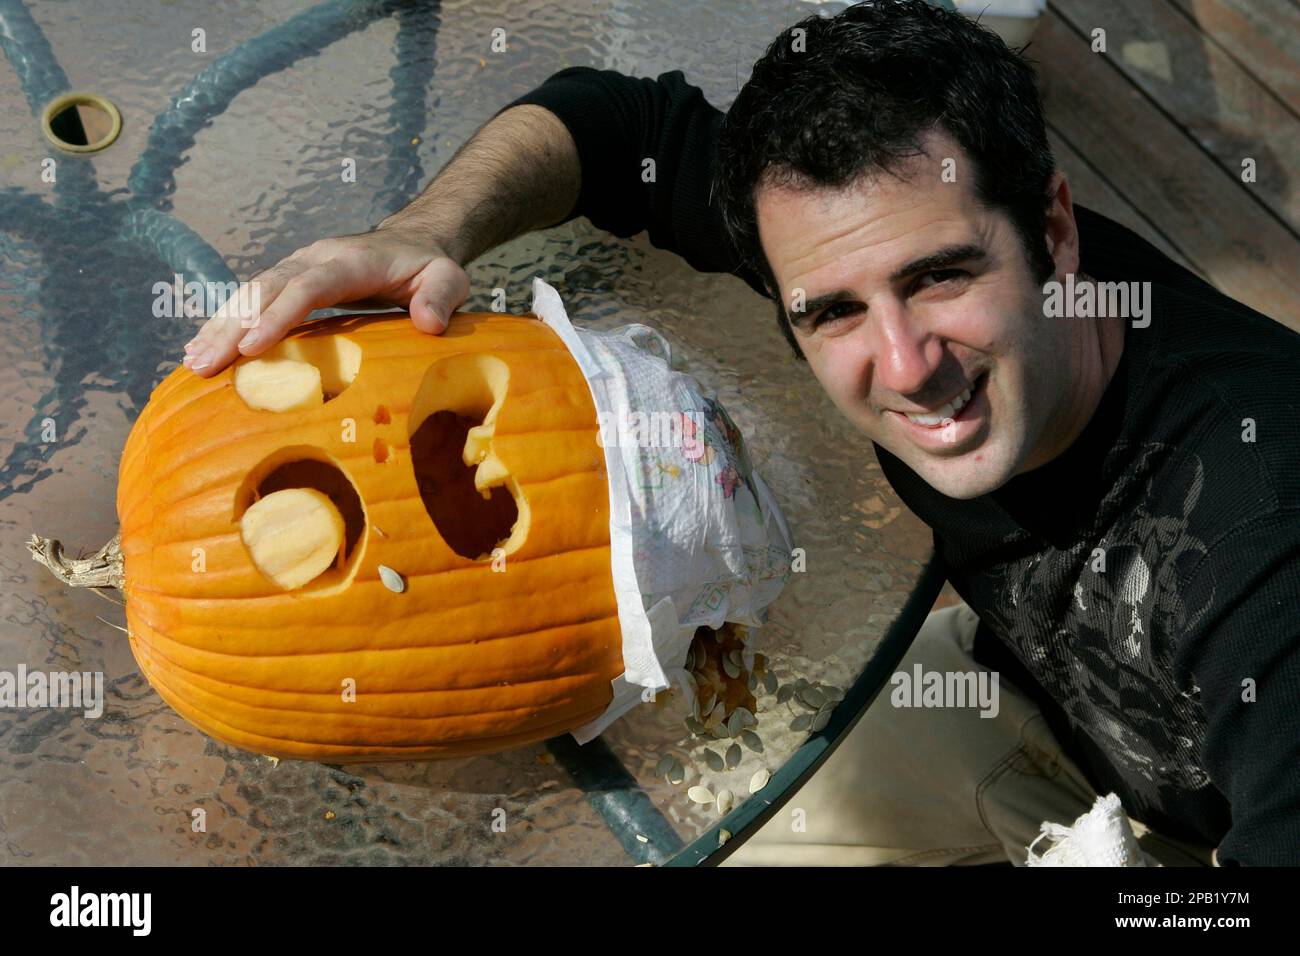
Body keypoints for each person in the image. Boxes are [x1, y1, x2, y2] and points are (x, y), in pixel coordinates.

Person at [181, 0, 1299, 865]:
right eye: (833, 311)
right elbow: (611, 122)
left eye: (942, 276)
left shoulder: (1266, 547)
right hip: (1041, 708)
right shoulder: (831, 224)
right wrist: (420, 231)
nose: (908, 365)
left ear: (1053, 231)